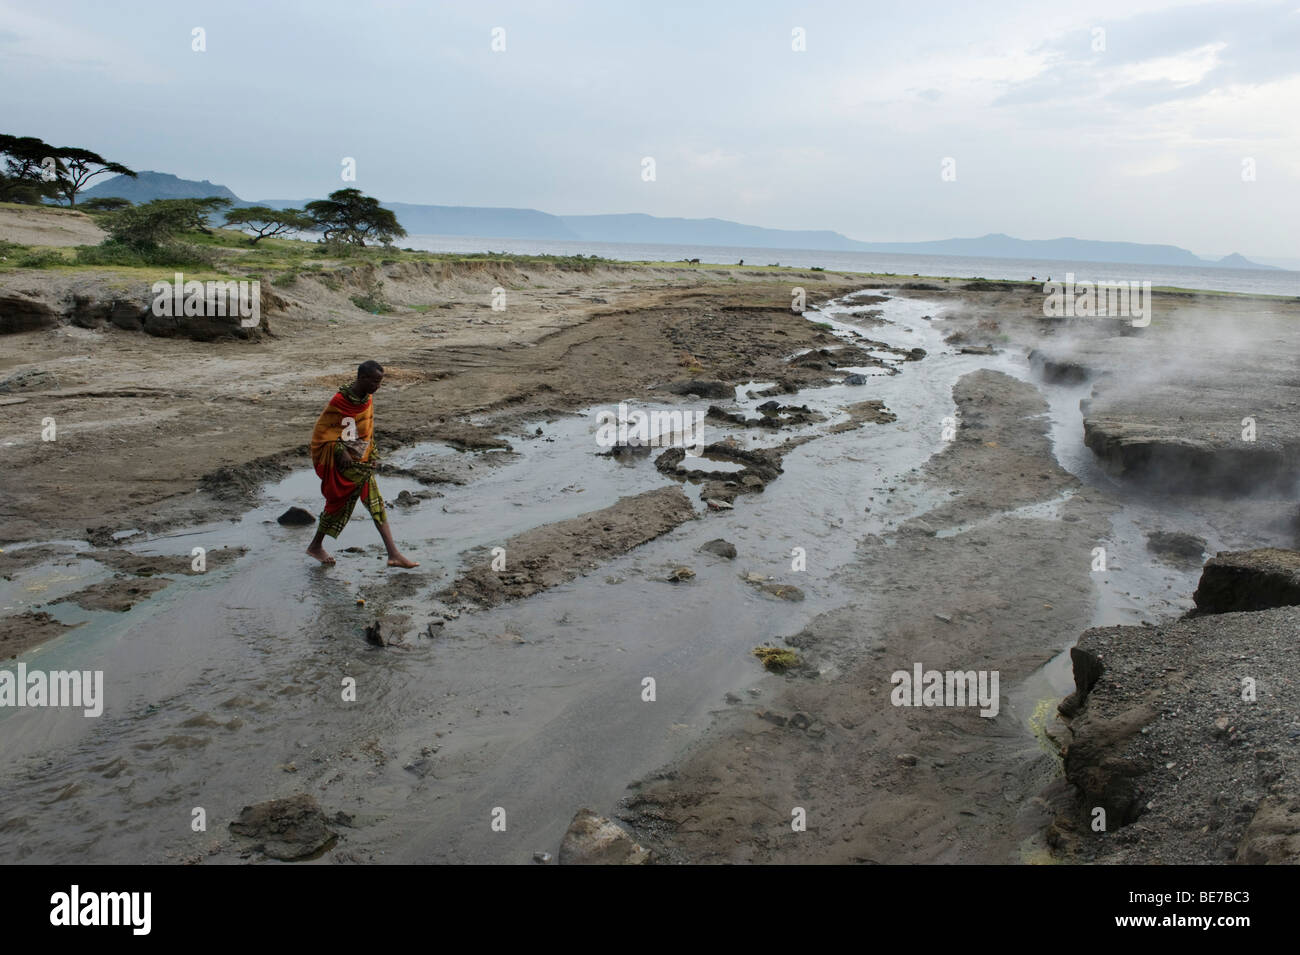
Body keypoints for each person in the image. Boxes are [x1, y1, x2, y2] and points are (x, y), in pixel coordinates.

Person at [305, 360, 418, 568]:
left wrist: (371, 453)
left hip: (361, 462)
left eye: (380, 382)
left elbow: (367, 429)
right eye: (375, 381)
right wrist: (339, 451)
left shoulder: (367, 399)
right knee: (336, 506)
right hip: (343, 465)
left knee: (375, 504)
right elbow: (323, 433)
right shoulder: (339, 401)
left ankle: (393, 553)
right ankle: (315, 546)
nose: (378, 386)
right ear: (362, 378)